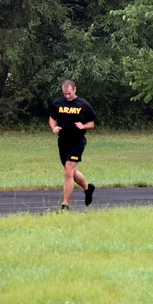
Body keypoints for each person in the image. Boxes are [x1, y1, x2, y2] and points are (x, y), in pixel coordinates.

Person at [49, 79, 97, 211]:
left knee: (68, 172)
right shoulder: (58, 103)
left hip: (77, 142)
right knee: (71, 172)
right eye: (65, 94)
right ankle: (88, 188)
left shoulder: (83, 104)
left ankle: (65, 205)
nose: (67, 96)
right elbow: (52, 118)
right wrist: (54, 128)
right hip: (63, 142)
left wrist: (83, 126)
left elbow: (91, 124)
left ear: (75, 90)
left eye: (69, 93)